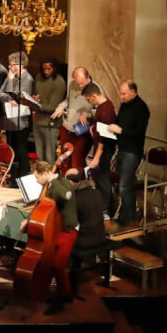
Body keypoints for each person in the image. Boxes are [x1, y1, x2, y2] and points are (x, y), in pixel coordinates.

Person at [27, 160, 78, 315]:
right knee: (50, 262)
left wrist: (52, 180)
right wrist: (28, 219)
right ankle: (66, 293)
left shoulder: (62, 183)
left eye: (37, 177)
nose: (36, 180)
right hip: (57, 229)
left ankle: (60, 301)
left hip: (68, 231)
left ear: (45, 174)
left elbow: (66, 195)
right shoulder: (48, 186)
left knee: (57, 265)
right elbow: (42, 205)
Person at [108, 80, 150, 225]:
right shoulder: (125, 105)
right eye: (121, 93)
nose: (122, 97)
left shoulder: (142, 108)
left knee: (124, 185)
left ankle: (127, 218)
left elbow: (139, 133)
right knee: (125, 184)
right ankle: (127, 214)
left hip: (133, 151)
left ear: (133, 92)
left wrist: (121, 131)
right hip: (122, 148)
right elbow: (119, 122)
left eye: (124, 93)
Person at [81, 83, 117, 220]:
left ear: (94, 96)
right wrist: (94, 127)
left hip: (104, 150)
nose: (89, 102)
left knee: (103, 178)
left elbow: (105, 138)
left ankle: (106, 210)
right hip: (99, 148)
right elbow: (101, 126)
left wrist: (96, 157)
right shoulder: (102, 107)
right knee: (98, 177)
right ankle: (101, 207)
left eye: (89, 100)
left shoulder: (107, 110)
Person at [0, 52, 35, 177]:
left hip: (20, 121)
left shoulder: (27, 79)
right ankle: (13, 176)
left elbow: (18, 97)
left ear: (20, 65)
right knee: (11, 150)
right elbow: (0, 94)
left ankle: (23, 176)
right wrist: (8, 98)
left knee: (20, 150)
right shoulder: (11, 77)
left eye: (12, 64)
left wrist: (11, 81)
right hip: (10, 119)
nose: (9, 67)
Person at [53, 67, 94, 172]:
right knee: (64, 161)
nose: (80, 86)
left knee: (77, 163)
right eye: (78, 83)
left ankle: (77, 186)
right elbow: (68, 100)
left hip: (81, 131)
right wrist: (61, 106)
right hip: (68, 127)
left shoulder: (95, 88)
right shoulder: (72, 84)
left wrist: (87, 114)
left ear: (87, 77)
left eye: (82, 83)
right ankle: (65, 184)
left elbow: (98, 109)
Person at [33, 58, 67, 163]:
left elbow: (53, 107)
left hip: (51, 123)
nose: (46, 72)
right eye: (44, 69)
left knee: (49, 154)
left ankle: (49, 177)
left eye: (49, 69)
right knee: (39, 152)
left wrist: (35, 104)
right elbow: (35, 93)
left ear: (55, 68)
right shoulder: (39, 77)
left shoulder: (59, 82)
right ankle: (40, 176)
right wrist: (34, 98)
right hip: (38, 120)